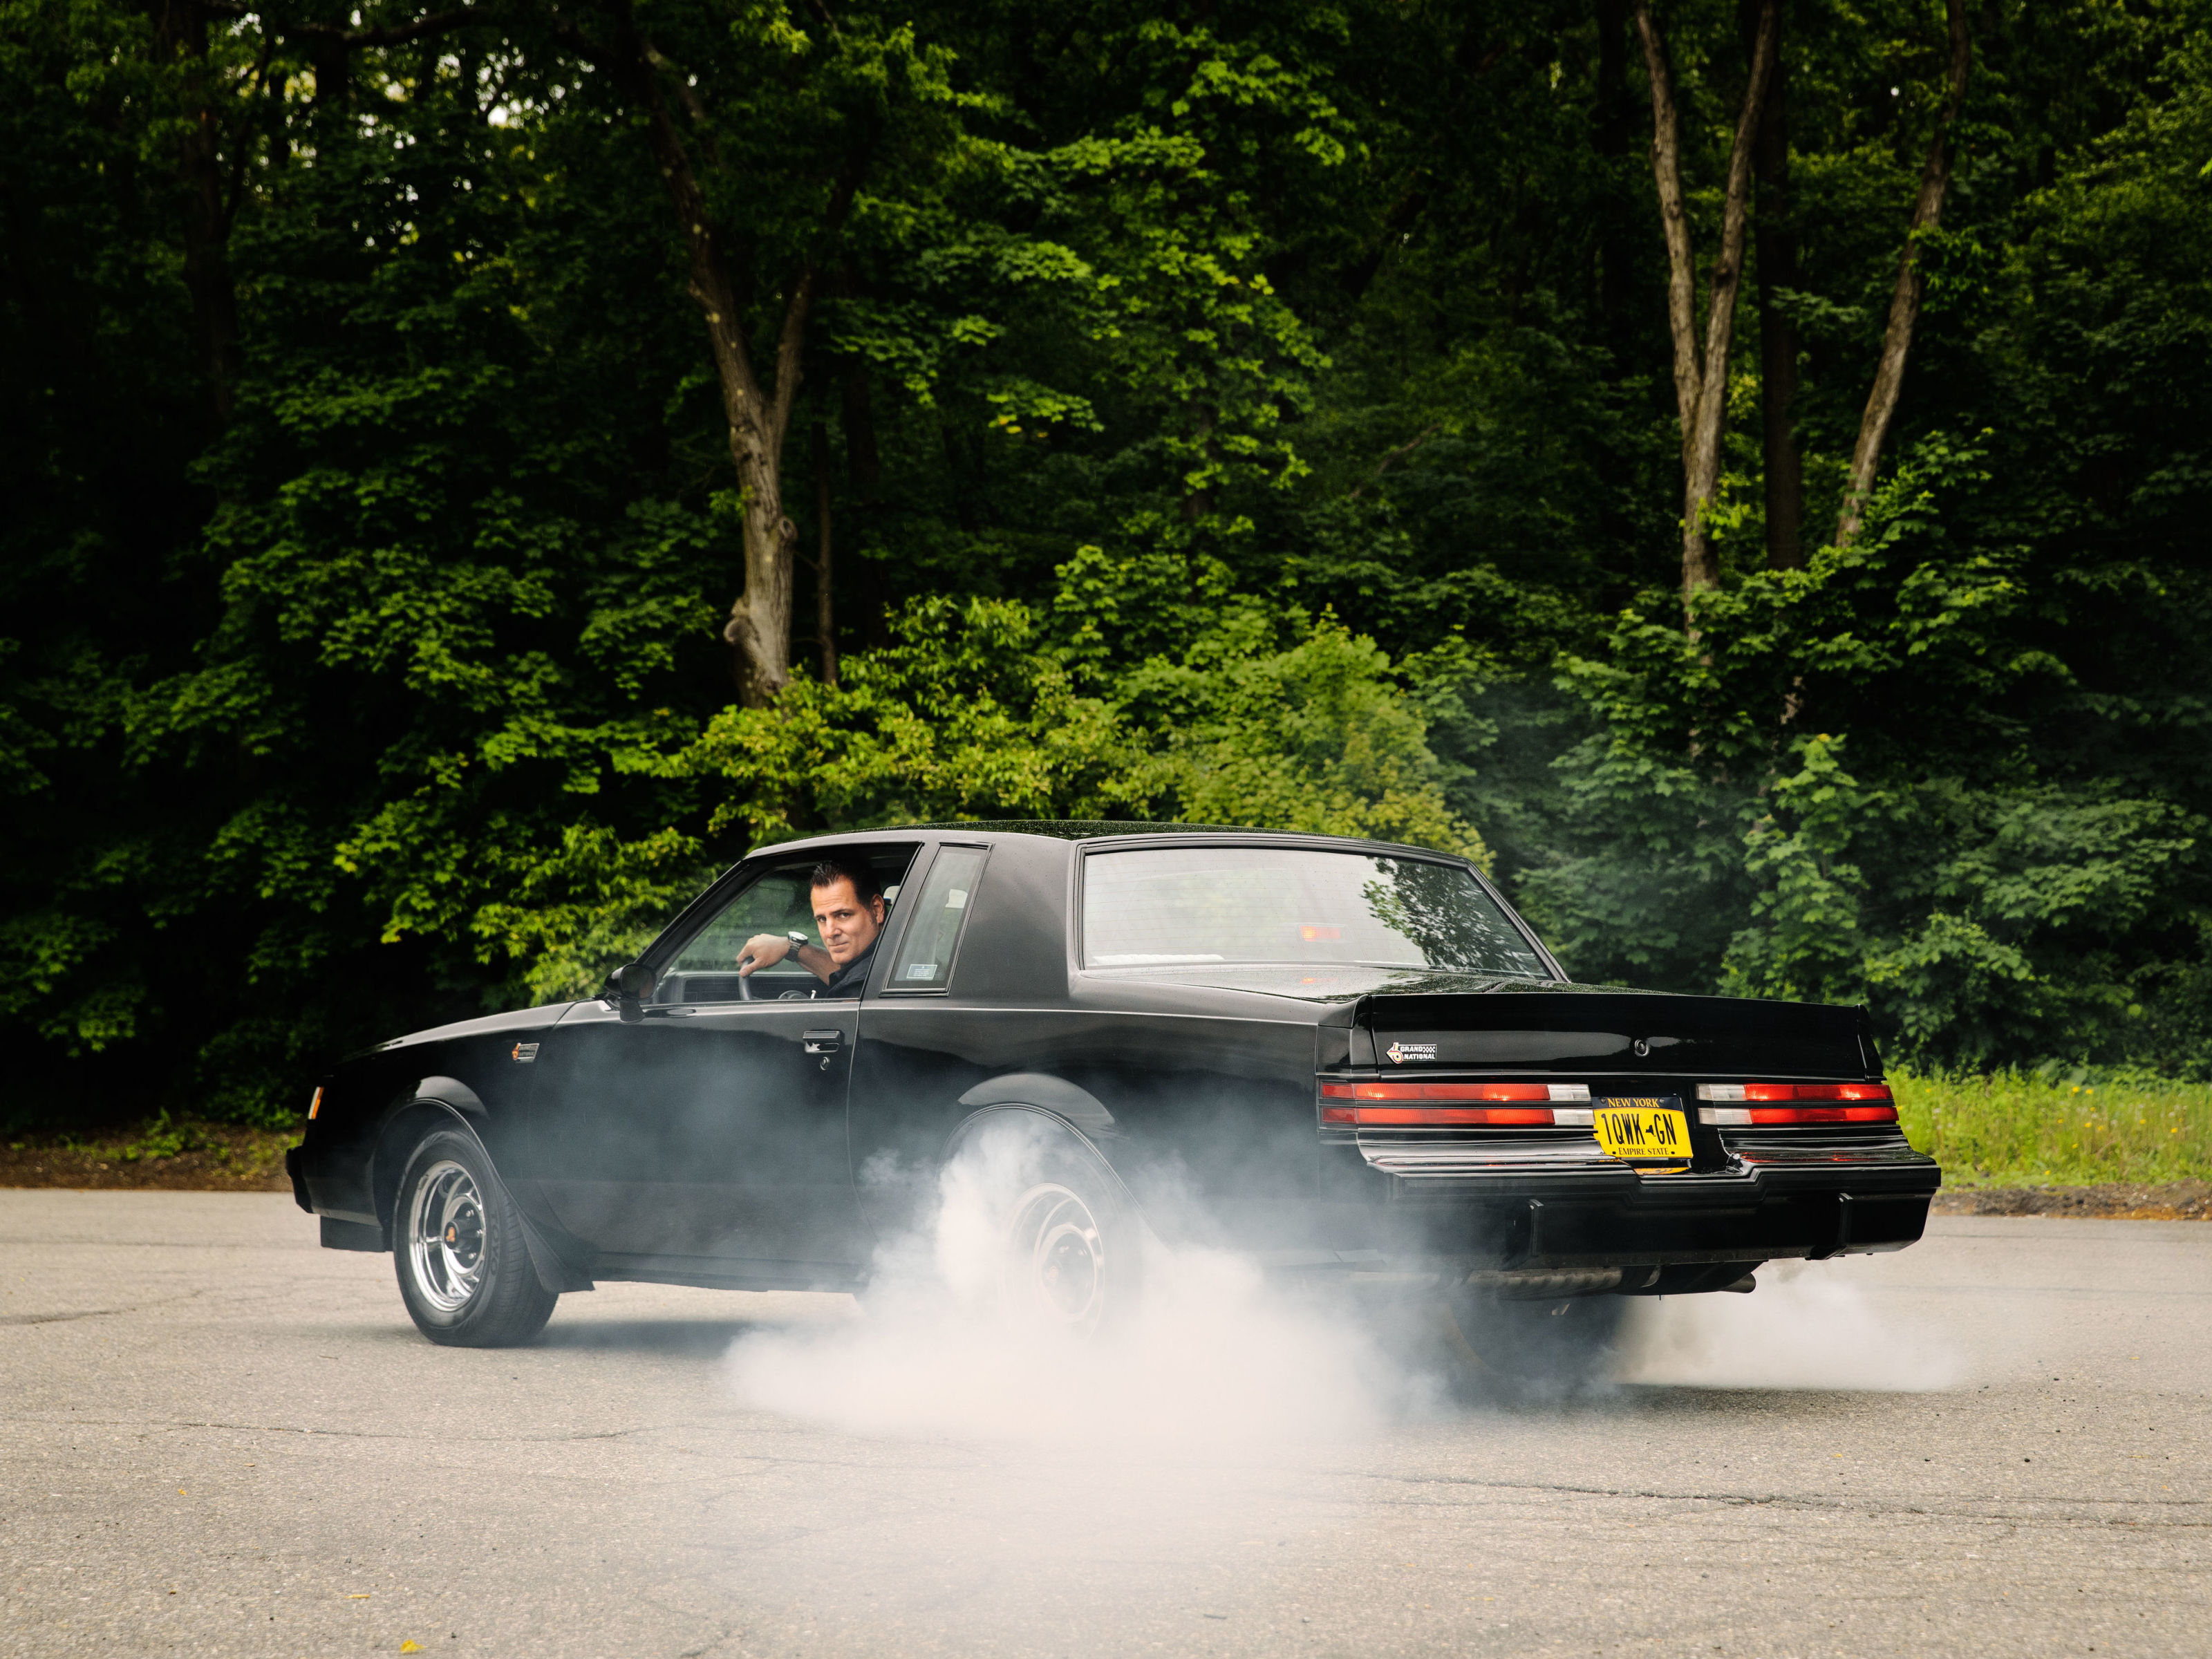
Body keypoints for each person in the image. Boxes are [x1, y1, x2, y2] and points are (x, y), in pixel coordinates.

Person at [737, 860, 885, 997]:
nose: (830, 932)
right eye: (822, 919)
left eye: (843, 915)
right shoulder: (891, 963)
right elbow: (849, 975)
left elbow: (855, 980)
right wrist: (791, 947)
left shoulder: (857, 991)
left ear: (876, 910)